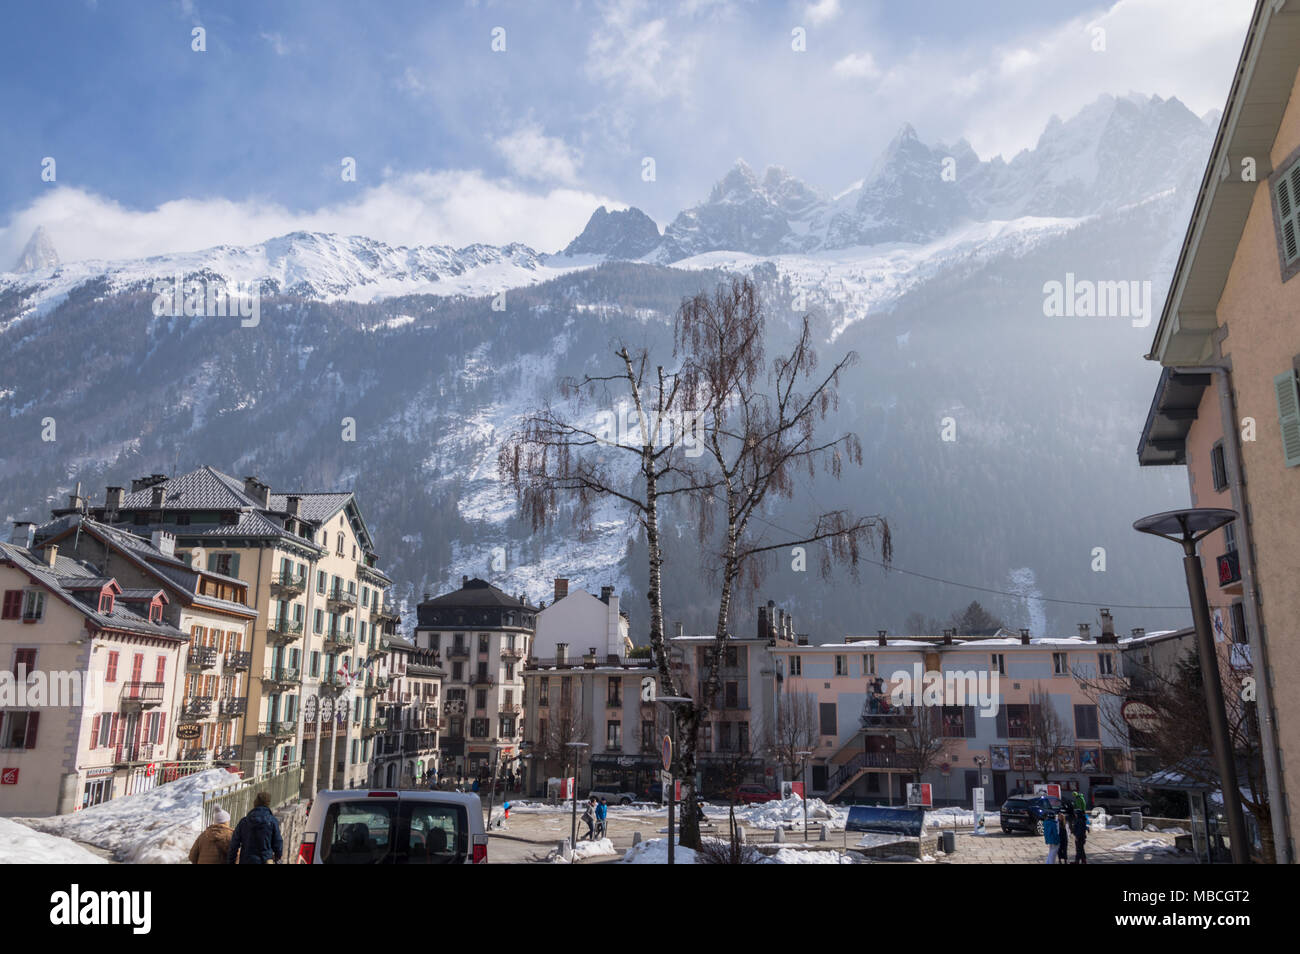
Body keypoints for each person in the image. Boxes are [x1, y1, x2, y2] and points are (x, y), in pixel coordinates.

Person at [228, 791, 283, 865]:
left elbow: (234, 844)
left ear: (255, 803)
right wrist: (277, 857)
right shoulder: (272, 821)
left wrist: (231, 861)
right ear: (267, 804)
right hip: (265, 860)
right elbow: (278, 843)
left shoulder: (244, 822)